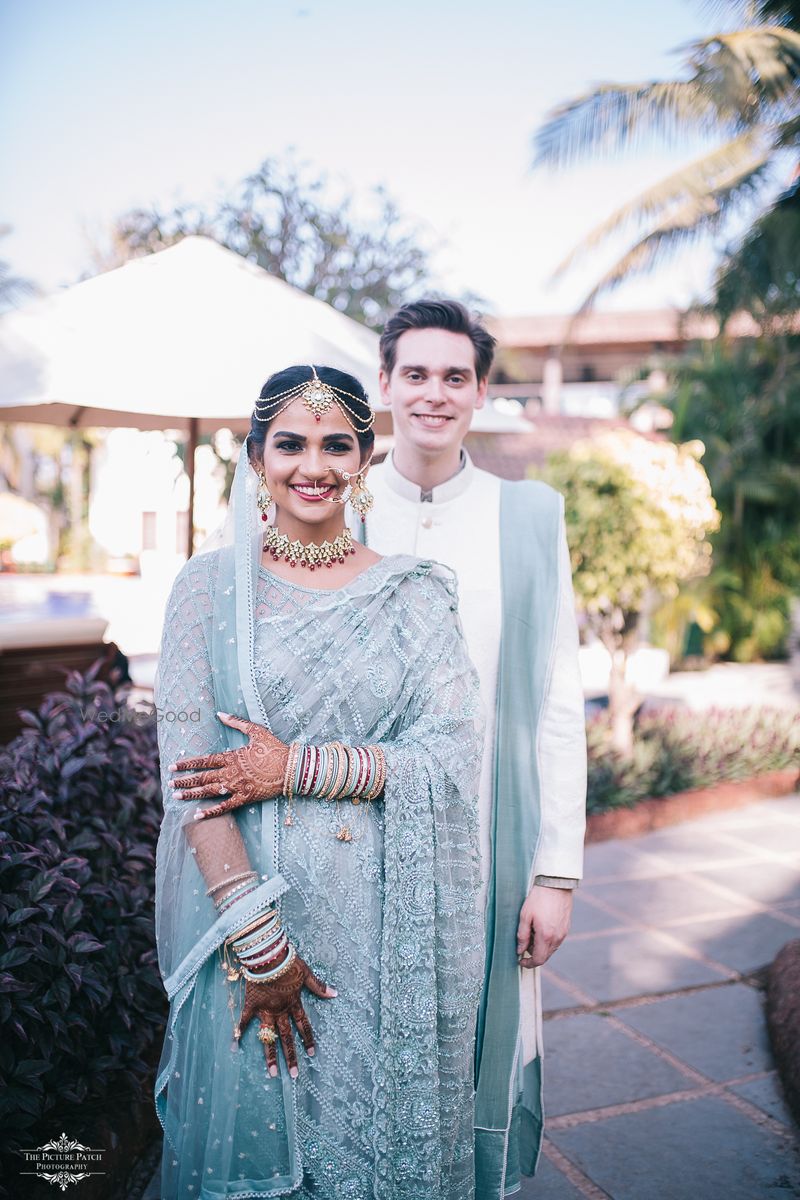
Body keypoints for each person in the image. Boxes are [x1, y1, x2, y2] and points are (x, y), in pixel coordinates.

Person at [153, 364, 485, 1199]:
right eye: (290, 443)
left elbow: (451, 759)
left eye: (337, 444)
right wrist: (257, 944)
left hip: (380, 929)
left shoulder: (412, 597)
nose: (314, 464)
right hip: (252, 920)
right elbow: (191, 778)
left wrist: (296, 766)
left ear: (365, 460)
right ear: (257, 458)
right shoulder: (207, 590)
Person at [360, 301, 587, 1198]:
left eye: (455, 376)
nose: (434, 393)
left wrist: (557, 872)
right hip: (353, 847)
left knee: (471, 1050)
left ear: (481, 392)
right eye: (415, 373)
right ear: (384, 384)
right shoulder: (327, 502)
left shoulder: (527, 517)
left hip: (491, 846)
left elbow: (558, 699)